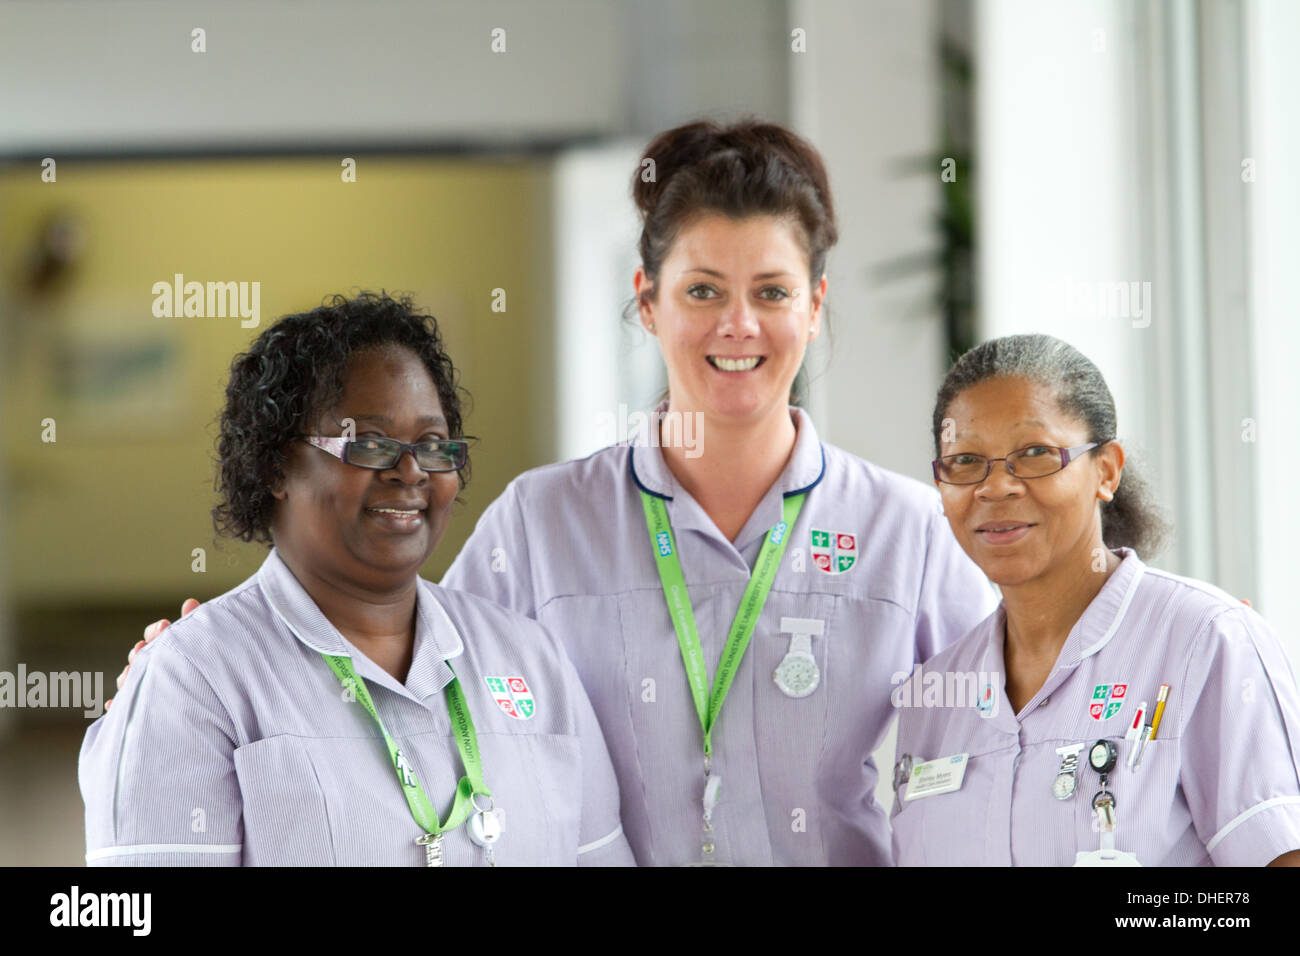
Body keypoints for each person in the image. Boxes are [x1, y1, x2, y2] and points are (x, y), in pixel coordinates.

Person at [114, 119, 998, 866]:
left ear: (814, 305)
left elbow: (1008, 735)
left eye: (772, 291)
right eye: (702, 290)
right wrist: (214, 660)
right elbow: (418, 681)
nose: (739, 325)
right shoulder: (544, 524)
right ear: (648, 302)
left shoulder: (907, 533)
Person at [81, 292, 634, 867]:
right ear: (275, 466)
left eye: (431, 445)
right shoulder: (195, 678)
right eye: (369, 444)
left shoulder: (530, 656)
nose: (412, 471)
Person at [889, 333, 1300, 866]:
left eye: (1034, 454)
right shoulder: (936, 697)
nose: (995, 488)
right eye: (966, 461)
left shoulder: (1205, 641)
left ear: (1106, 470)